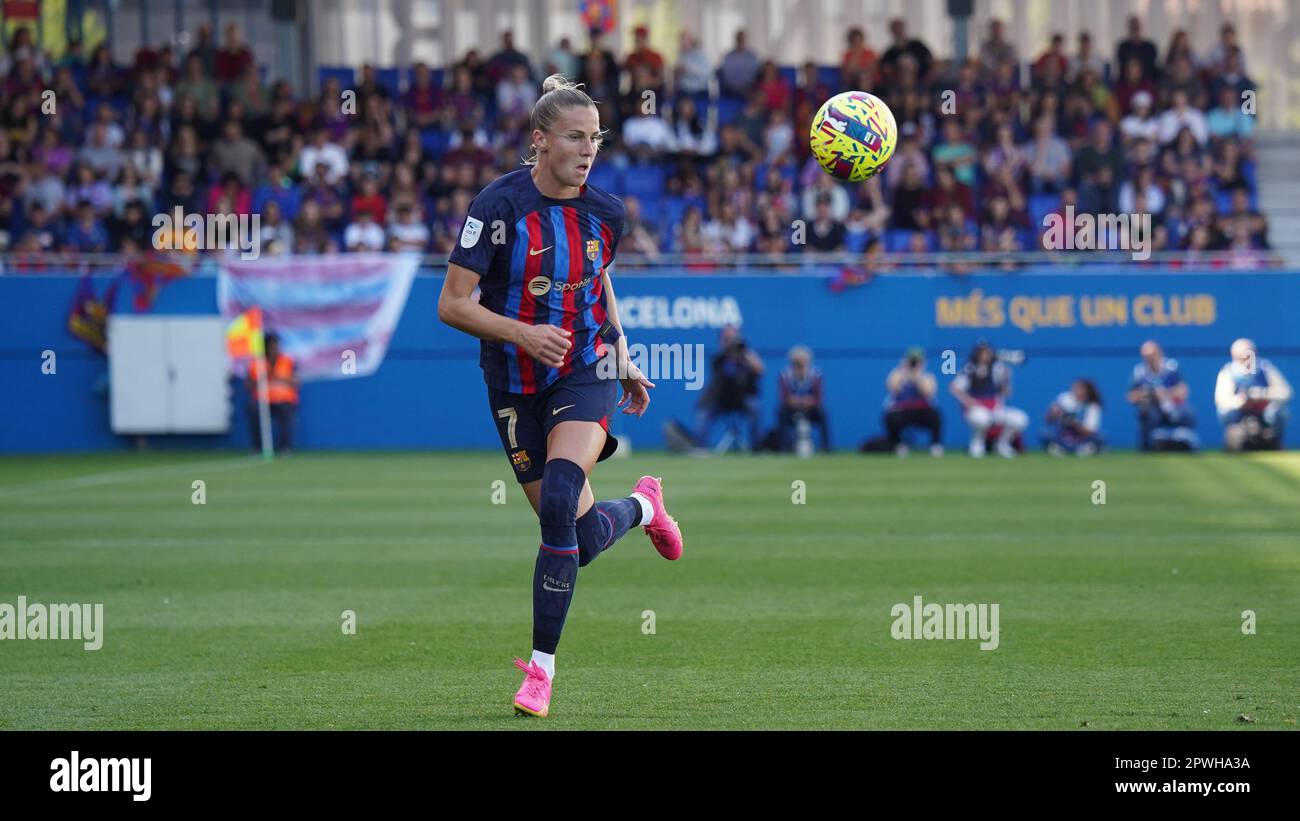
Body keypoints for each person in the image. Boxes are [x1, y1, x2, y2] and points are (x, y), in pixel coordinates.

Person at [437, 74, 683, 719]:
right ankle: (642, 506)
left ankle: (540, 671)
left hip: (585, 367)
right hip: (514, 383)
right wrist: (521, 331)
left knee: (556, 519)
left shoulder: (606, 213)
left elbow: (599, 282)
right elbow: (452, 304)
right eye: (575, 137)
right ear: (540, 141)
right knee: (579, 533)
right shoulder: (496, 208)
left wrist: (623, 353)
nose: (588, 149)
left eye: (595, 137)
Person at [949, 340, 1028, 458]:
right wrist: (969, 401)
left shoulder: (998, 368)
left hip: (995, 409)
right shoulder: (970, 368)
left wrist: (1007, 378)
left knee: (1020, 419)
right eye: (981, 351)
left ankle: (1002, 444)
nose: (984, 354)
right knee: (981, 418)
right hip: (976, 409)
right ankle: (977, 443)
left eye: (986, 351)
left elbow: (1006, 393)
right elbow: (954, 387)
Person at [694, 325, 764, 451]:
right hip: (722, 399)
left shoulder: (746, 356)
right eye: (727, 338)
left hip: (743, 399)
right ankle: (700, 448)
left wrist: (745, 353)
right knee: (704, 412)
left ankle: (756, 448)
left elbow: (760, 370)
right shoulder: (719, 359)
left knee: (755, 409)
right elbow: (719, 373)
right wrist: (728, 351)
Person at [1215, 338, 1291, 451]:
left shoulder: (1265, 368)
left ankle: (1276, 443)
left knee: (1278, 411)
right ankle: (1233, 442)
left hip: (1264, 413)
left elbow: (1286, 393)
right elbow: (1221, 399)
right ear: (1234, 355)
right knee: (1225, 411)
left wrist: (1262, 395)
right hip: (1240, 414)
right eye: (1242, 355)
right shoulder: (1228, 371)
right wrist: (1241, 401)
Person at [1127, 340, 1198, 450]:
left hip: (1173, 405)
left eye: (1152, 355)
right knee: (1147, 413)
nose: (1150, 359)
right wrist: (1149, 394)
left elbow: (1183, 391)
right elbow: (1131, 397)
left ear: (1159, 353)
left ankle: (1187, 442)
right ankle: (1149, 445)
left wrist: (1164, 393)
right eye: (1146, 356)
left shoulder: (1172, 368)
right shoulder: (1139, 372)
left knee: (1187, 412)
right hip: (1153, 408)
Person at [882, 347, 942, 456]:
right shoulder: (897, 374)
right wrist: (903, 371)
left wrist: (917, 376)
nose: (914, 363)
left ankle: (935, 445)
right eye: (912, 360)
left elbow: (928, 392)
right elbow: (892, 388)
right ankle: (899, 445)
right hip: (902, 410)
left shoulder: (927, 377)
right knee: (891, 417)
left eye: (917, 361)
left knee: (935, 415)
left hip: (921, 411)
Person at [246, 333, 299, 452]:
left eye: (277, 345)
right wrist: (261, 379)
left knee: (287, 412)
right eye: (272, 346)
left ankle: (284, 447)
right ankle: (258, 447)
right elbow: (248, 385)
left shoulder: (287, 361)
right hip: (262, 400)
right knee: (252, 408)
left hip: (284, 401)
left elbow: (297, 382)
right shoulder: (257, 363)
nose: (275, 348)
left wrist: (281, 377)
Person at [776, 346, 830, 453]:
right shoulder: (785, 375)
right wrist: (797, 401)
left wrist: (807, 401)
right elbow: (784, 397)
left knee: (823, 412)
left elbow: (818, 398)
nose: (800, 366)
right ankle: (783, 447)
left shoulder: (816, 375)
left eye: (803, 363)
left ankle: (826, 447)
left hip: (811, 409)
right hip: (791, 409)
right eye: (796, 363)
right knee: (781, 411)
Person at [1043, 379, 1104, 456]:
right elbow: (1047, 420)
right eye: (1074, 387)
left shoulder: (1093, 406)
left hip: (1082, 438)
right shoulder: (1064, 398)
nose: (1074, 390)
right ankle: (1062, 450)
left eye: (1079, 388)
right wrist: (1052, 414)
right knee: (1046, 434)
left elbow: (1090, 431)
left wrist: (1074, 423)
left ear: (1087, 391)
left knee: (1100, 438)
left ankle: (1082, 450)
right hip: (1063, 436)